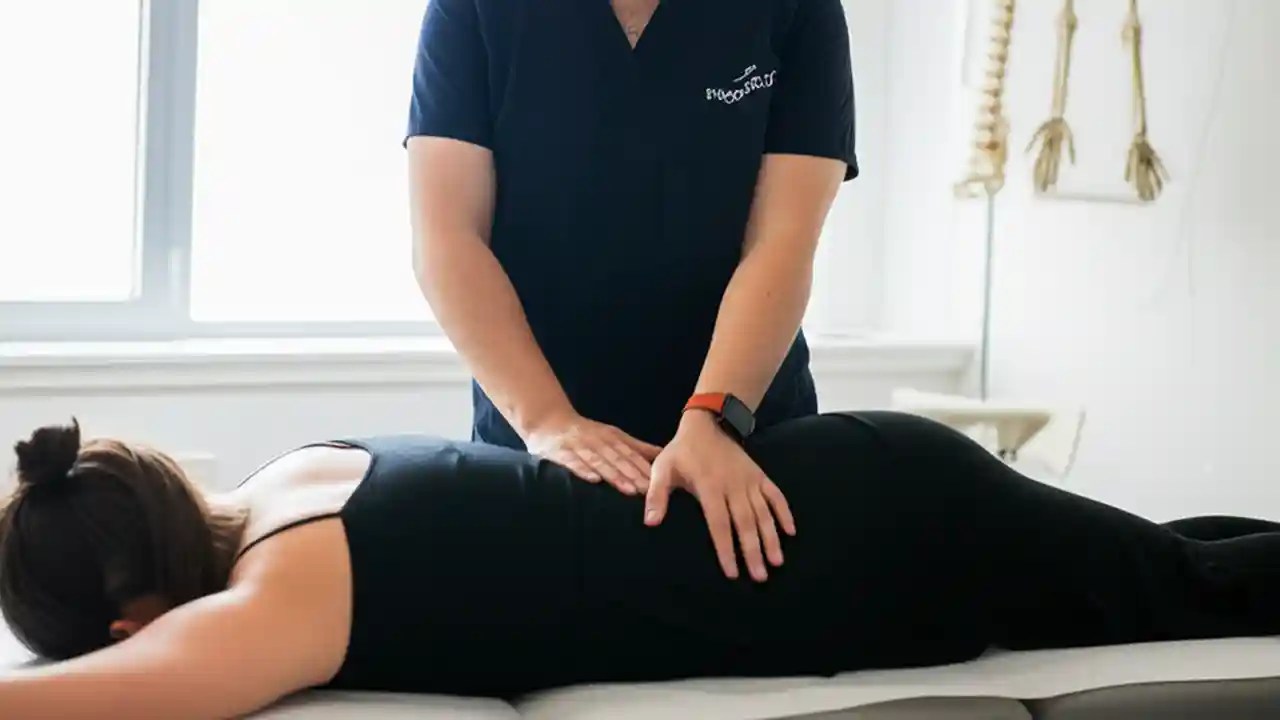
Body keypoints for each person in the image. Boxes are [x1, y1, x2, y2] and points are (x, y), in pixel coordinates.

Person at [2, 414, 1280, 719]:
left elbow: (84, 704)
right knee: (1176, 565)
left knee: (1192, 586)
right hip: (849, 491)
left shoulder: (284, 594)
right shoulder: (304, 471)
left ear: (128, 619)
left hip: (859, 544)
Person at [406, 0, 858, 583]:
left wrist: (713, 421)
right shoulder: (473, 10)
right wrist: (549, 422)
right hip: (540, 447)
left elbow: (783, 242)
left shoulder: (797, 10)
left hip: (745, 439)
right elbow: (448, 238)